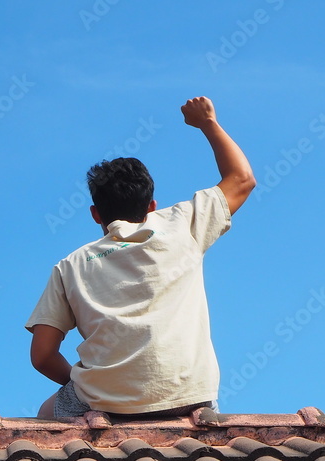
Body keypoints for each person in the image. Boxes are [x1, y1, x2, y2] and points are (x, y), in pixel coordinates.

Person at [26, 96, 255, 419]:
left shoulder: (71, 265)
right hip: (188, 395)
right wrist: (207, 122)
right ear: (151, 206)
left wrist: (89, 386)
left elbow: (42, 356)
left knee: (45, 415)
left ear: (95, 214)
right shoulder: (183, 224)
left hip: (103, 403)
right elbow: (242, 179)